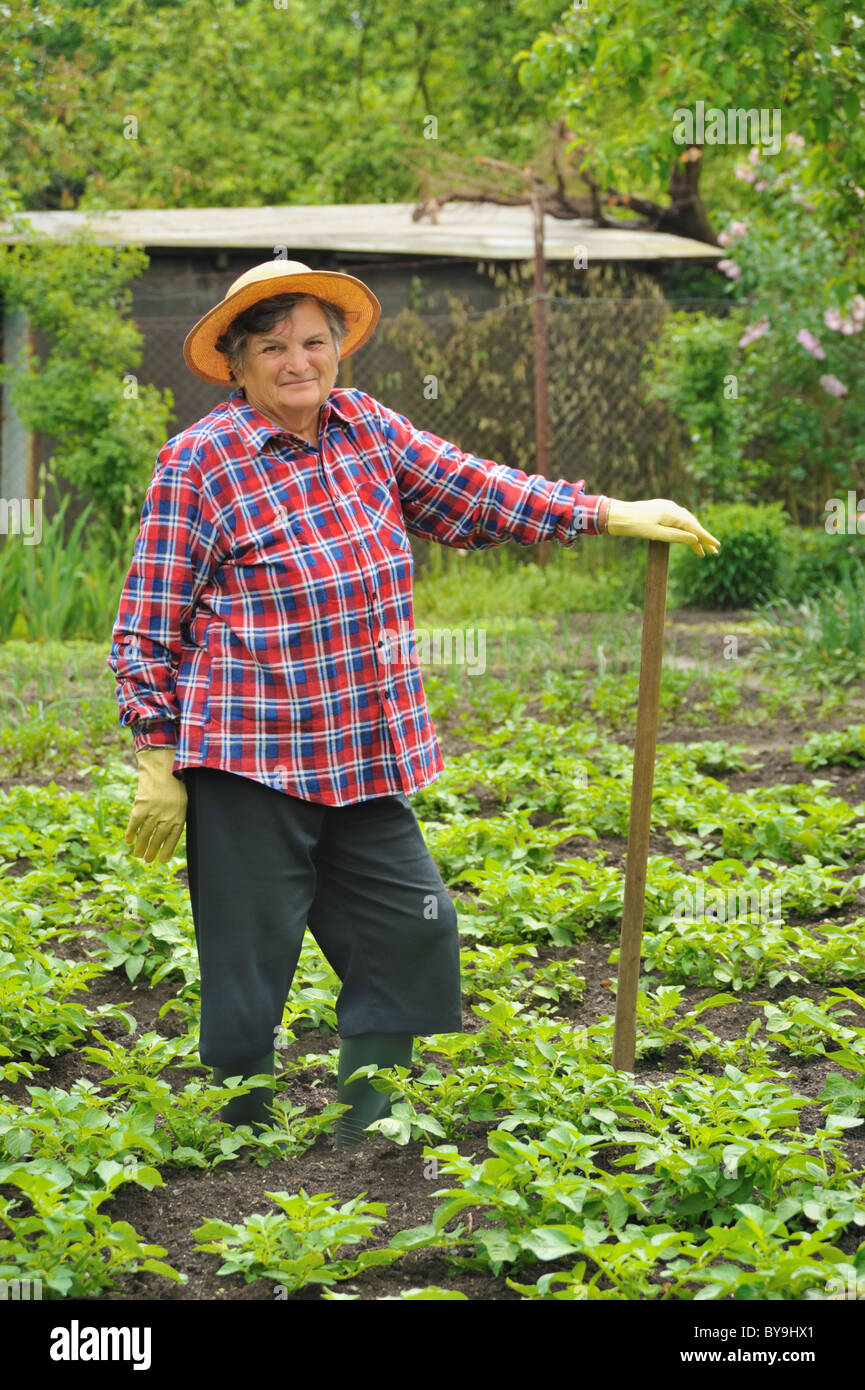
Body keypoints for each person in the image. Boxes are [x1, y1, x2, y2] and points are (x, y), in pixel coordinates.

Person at [106, 259, 720, 1149]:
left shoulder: (368, 431)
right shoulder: (201, 463)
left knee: (411, 921)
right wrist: (157, 759)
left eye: (314, 341)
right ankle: (231, 1134)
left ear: (339, 349)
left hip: (362, 747)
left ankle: (370, 1115)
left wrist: (609, 512)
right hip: (247, 752)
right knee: (249, 959)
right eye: (272, 346)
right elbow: (146, 624)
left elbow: (477, 489)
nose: (297, 361)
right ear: (236, 364)